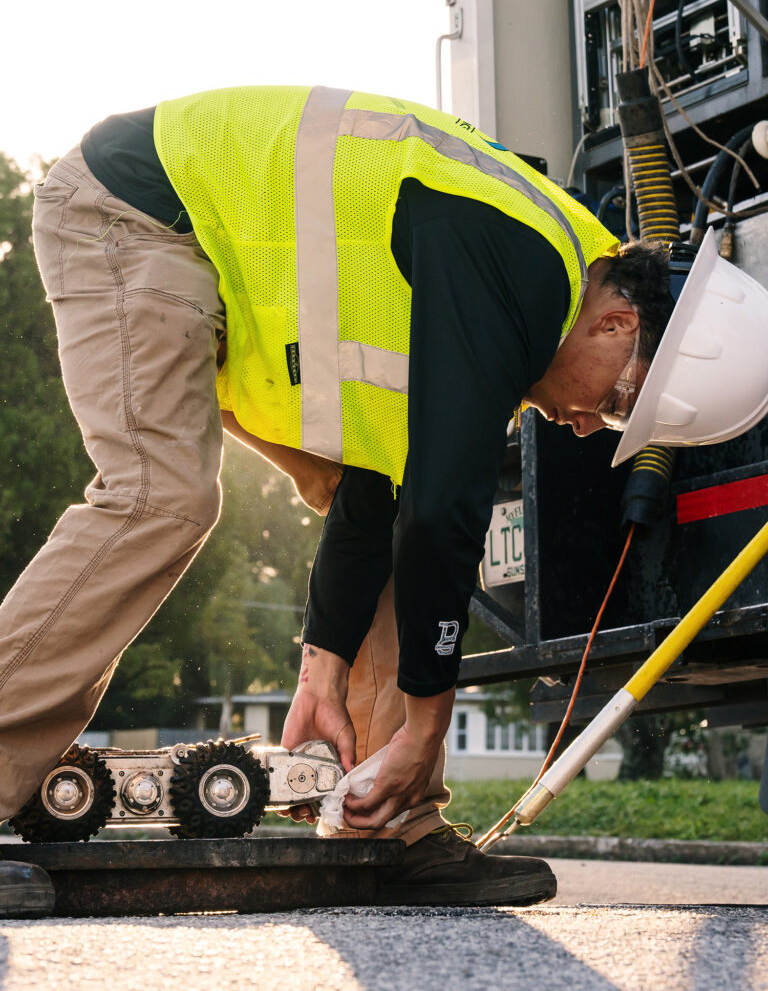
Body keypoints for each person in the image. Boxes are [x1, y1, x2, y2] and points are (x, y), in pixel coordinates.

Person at [0, 85, 682, 912]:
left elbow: (380, 492)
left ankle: (387, 820)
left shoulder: (532, 294)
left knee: (384, 504)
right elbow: (441, 514)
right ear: (616, 327)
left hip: (215, 256)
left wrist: (321, 673)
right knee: (160, 496)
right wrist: (429, 725)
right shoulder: (524, 267)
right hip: (139, 213)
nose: (588, 427)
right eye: (617, 405)